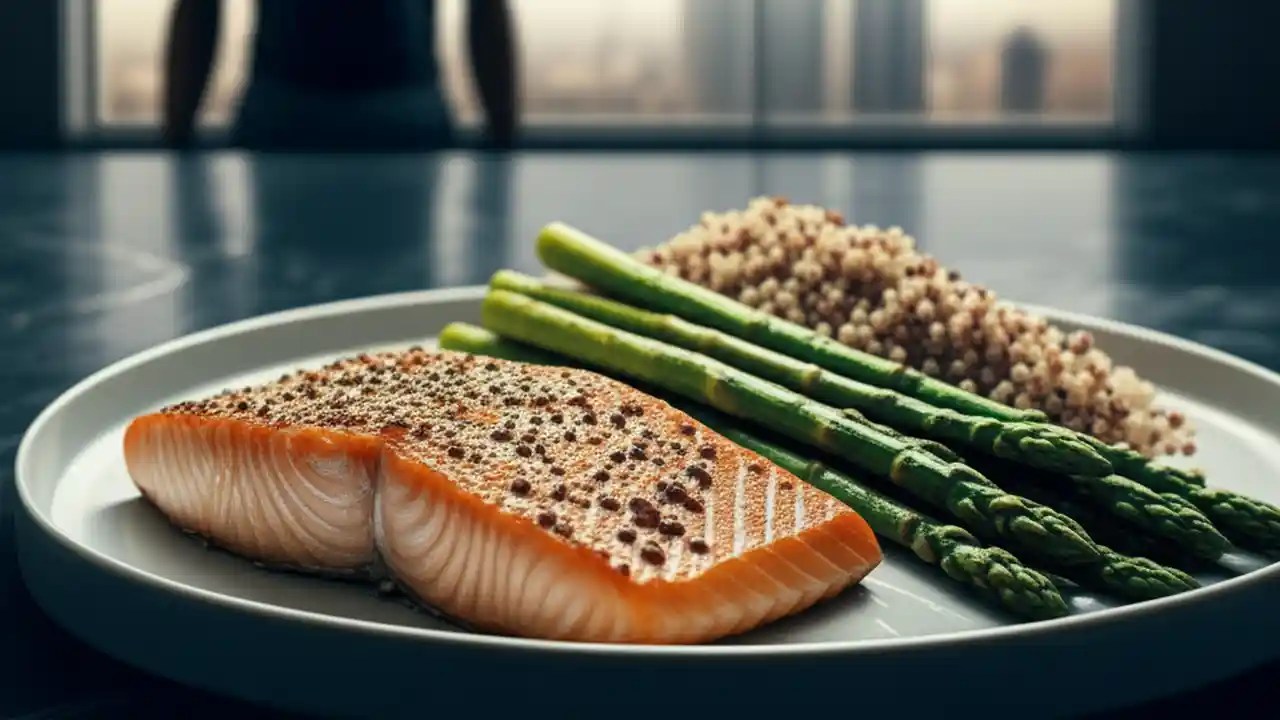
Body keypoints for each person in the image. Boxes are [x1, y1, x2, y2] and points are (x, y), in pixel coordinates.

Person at [162, 0, 516, 150]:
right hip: (406, 123)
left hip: (282, 120)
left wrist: (178, 137)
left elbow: (199, 9)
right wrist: (502, 135)